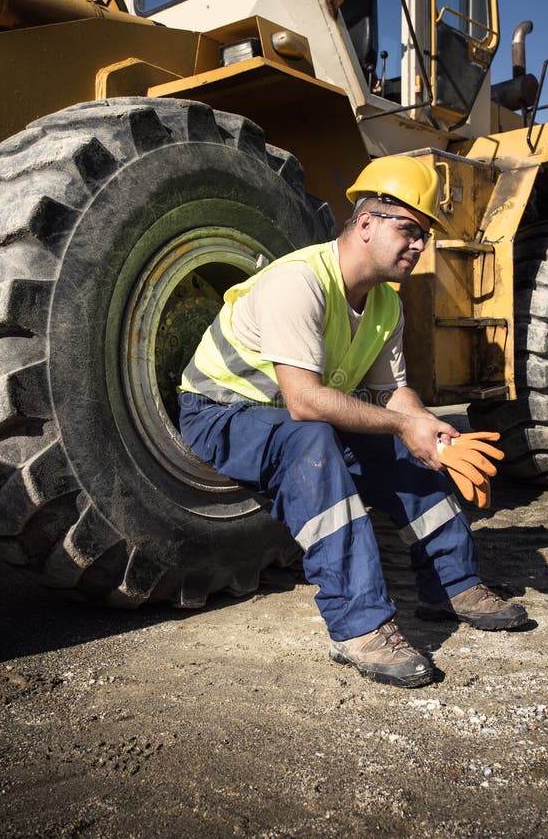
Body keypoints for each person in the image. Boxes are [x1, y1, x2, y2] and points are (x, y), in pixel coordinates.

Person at [178, 156, 528, 688]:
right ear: (365, 223)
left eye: (425, 235)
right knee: (315, 439)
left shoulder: (386, 303)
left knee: (410, 443)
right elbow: (305, 402)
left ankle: (453, 583)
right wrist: (400, 425)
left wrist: (430, 430)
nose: (419, 246)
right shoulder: (299, 282)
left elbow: (393, 393)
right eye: (409, 230)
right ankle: (360, 627)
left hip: (292, 415)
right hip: (222, 412)